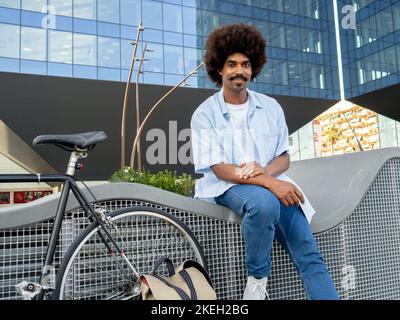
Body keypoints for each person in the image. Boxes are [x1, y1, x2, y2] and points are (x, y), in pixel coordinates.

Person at [190, 24, 339, 300]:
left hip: (273, 185)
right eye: (231, 64)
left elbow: (284, 158)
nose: (239, 71)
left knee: (309, 254)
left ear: (253, 67)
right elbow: (219, 168)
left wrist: (266, 172)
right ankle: (257, 280)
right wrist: (269, 182)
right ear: (219, 69)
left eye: (246, 64)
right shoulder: (204, 115)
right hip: (226, 184)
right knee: (264, 202)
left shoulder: (270, 107)